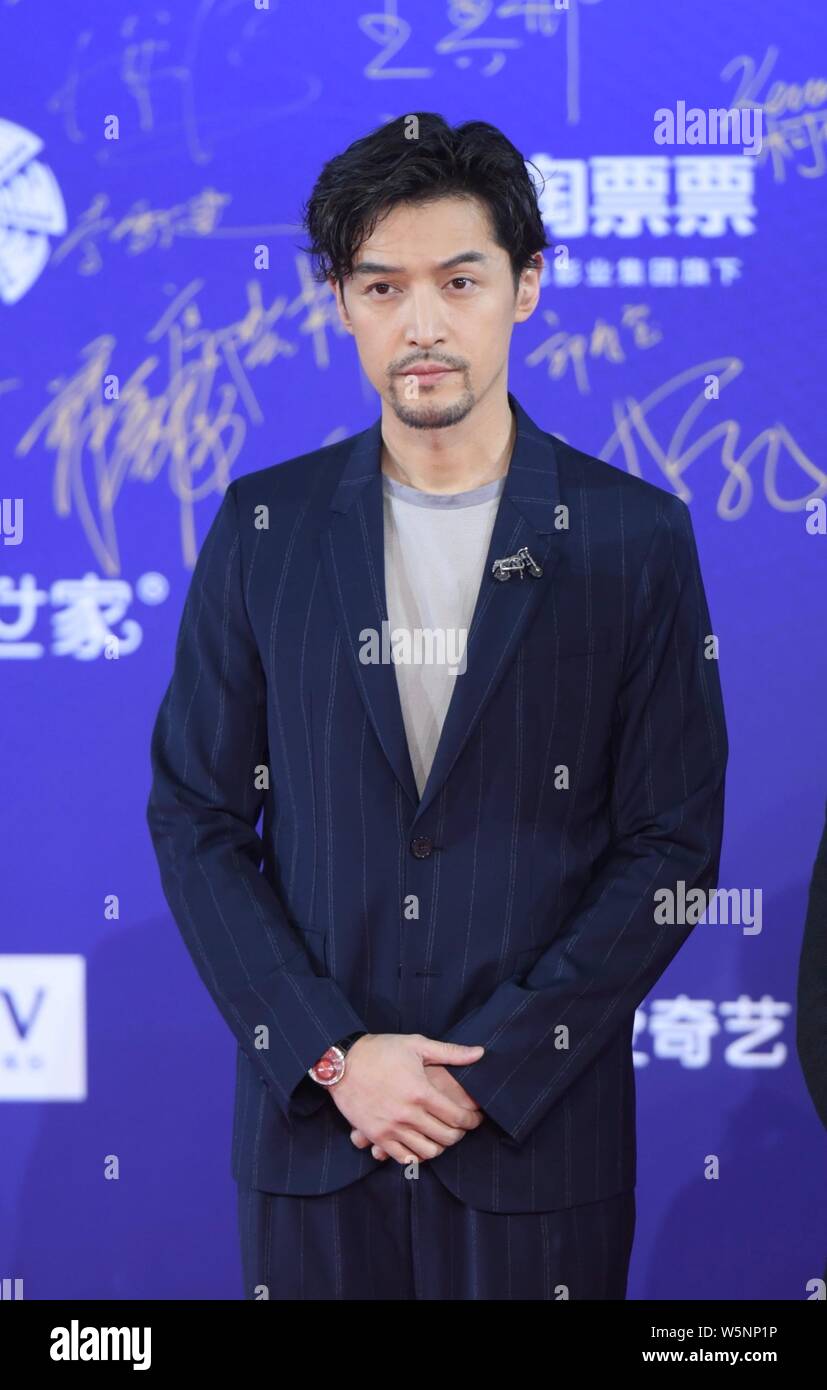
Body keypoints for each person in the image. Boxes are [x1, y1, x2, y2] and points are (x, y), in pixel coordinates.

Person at [146, 112, 728, 1300]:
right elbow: (197, 817)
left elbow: (670, 841)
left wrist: (491, 1068)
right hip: (317, 1142)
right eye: (381, 285)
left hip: (534, 1146)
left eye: (458, 280)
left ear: (524, 286)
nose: (421, 323)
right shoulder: (264, 530)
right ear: (338, 300)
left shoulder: (632, 536)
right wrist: (333, 1053)